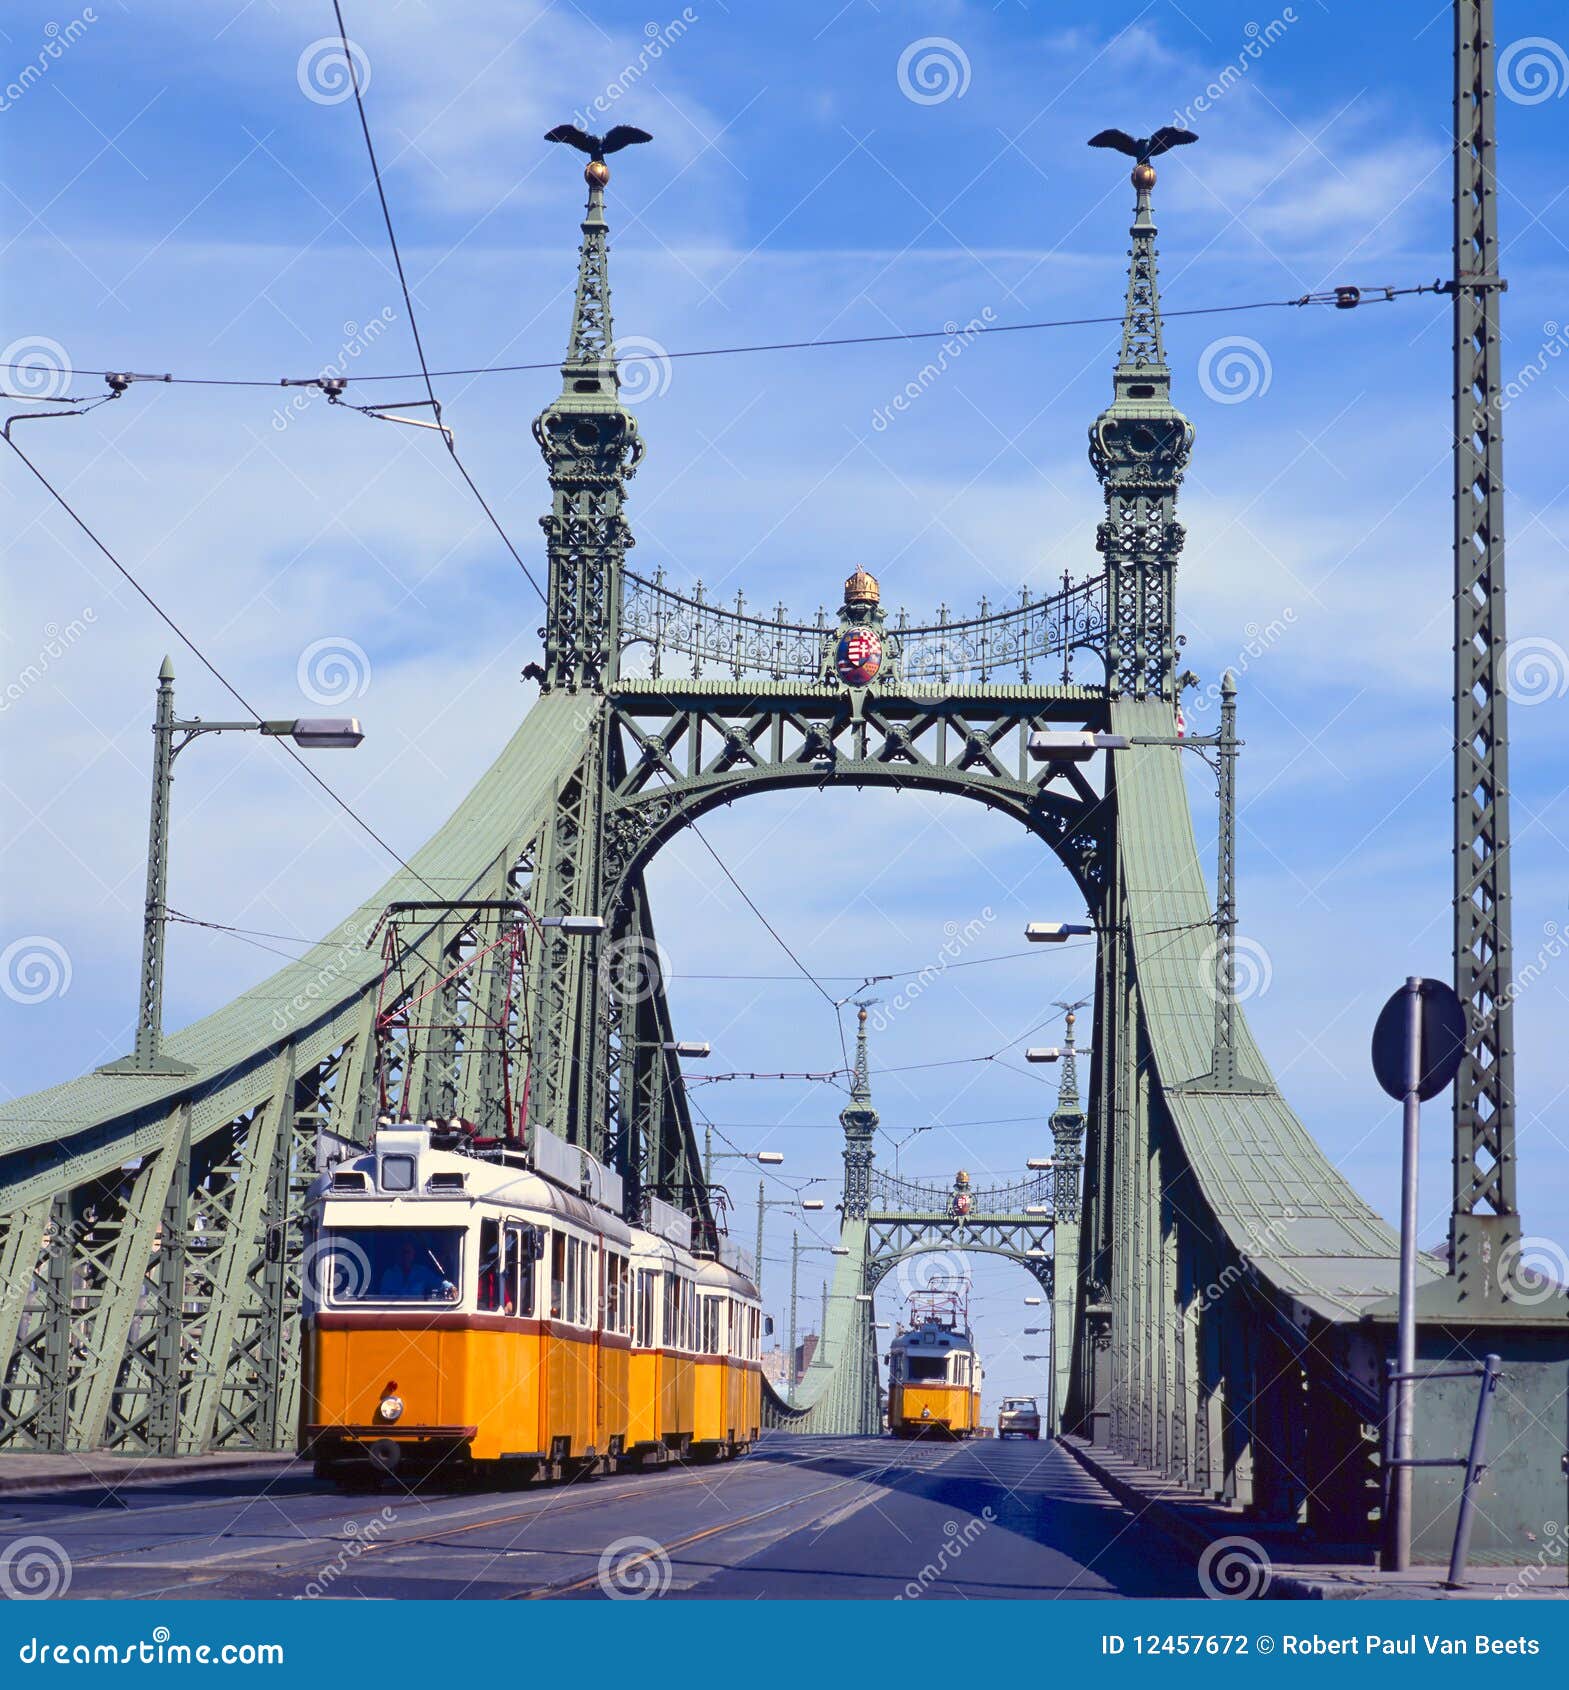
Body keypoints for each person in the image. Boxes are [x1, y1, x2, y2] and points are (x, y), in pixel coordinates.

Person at [379, 1237, 446, 1300]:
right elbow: (383, 1298)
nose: (405, 1256)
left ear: (413, 1254)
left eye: (408, 1252)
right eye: (403, 1252)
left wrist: (450, 1287)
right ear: (398, 1254)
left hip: (417, 1310)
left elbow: (439, 1283)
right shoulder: (389, 1274)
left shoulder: (422, 1272)